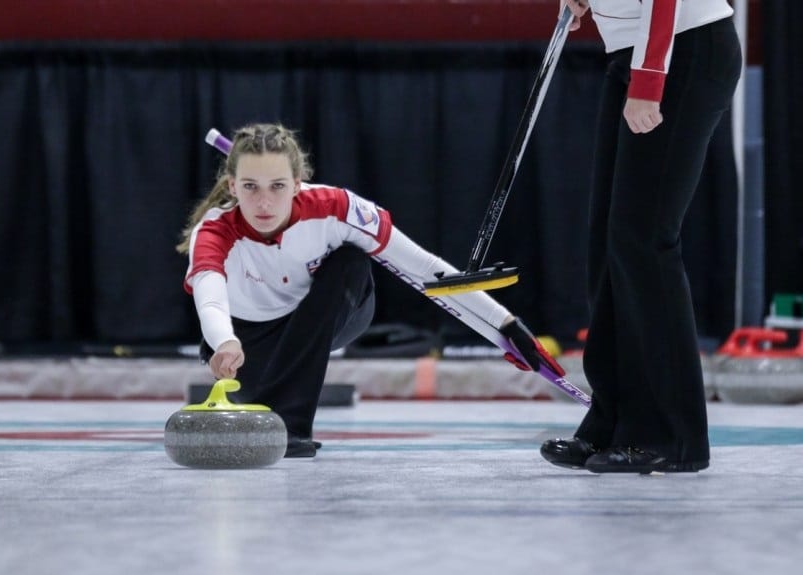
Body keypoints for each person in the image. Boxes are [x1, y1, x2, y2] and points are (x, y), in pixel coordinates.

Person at [177, 123, 557, 458]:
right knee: (245, 365)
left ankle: (290, 429)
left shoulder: (337, 208)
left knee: (351, 261)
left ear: (297, 183)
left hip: (326, 321)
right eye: (250, 187)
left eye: (277, 186)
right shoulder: (213, 231)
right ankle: (270, 398)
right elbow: (210, 298)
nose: (263, 202)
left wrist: (505, 324)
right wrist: (224, 341)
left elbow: (424, 268)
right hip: (246, 344)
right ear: (232, 186)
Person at [541, 0, 742, 473]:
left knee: (645, 241)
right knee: (611, 246)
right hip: (634, 52)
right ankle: (613, 421)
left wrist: (650, 80)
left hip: (680, 51)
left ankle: (671, 435)